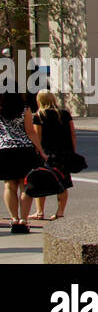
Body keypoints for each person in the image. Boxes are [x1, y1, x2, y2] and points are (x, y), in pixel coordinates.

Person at [32, 91, 79, 220]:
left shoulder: (39, 115)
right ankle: (60, 212)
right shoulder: (64, 114)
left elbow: (37, 136)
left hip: (47, 153)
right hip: (64, 153)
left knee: (40, 182)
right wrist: (73, 151)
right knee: (63, 182)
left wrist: (39, 152)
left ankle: (40, 212)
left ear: (39, 100)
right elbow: (72, 134)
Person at [0, 93, 42, 232]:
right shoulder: (25, 109)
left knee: (9, 186)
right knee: (25, 185)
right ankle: (24, 220)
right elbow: (30, 132)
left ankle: (14, 219)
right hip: (24, 150)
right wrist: (41, 150)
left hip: (5, 150)